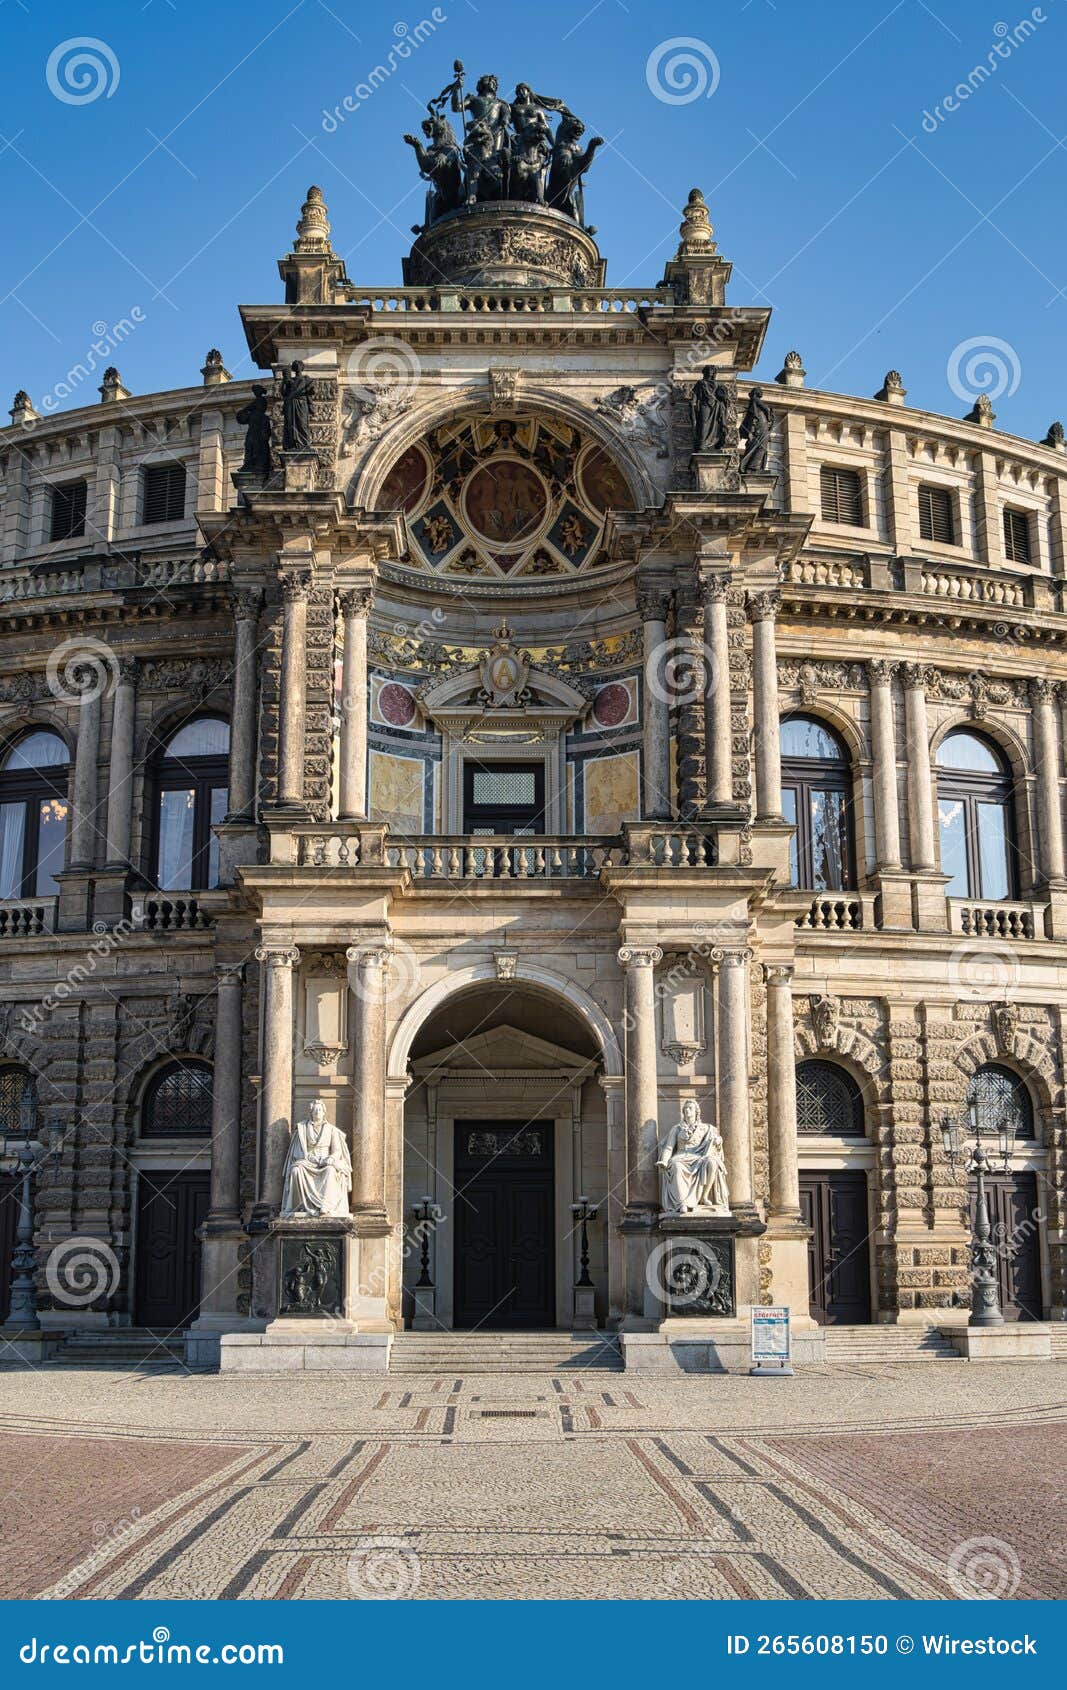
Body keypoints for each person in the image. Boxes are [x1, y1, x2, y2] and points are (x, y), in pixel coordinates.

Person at [280, 1098, 352, 1218]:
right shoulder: (302, 1129)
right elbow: (297, 1151)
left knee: (330, 1170)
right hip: (308, 1161)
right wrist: (308, 1158)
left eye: (320, 1110)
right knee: (296, 1169)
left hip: (325, 1162)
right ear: (311, 1113)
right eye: (315, 1110)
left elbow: (337, 1151)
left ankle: (326, 1205)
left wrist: (331, 1158)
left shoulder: (332, 1130)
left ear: (324, 1112)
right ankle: (299, 1205)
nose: (317, 1112)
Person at [656, 1099, 730, 1215]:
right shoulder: (677, 1129)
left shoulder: (706, 1128)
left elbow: (715, 1143)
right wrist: (664, 1161)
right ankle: (682, 1203)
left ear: (696, 1112)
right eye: (685, 1108)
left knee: (712, 1162)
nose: (687, 1110)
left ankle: (704, 1196)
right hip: (680, 1157)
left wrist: (718, 1141)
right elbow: (669, 1148)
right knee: (676, 1165)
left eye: (690, 1108)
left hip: (699, 1157)